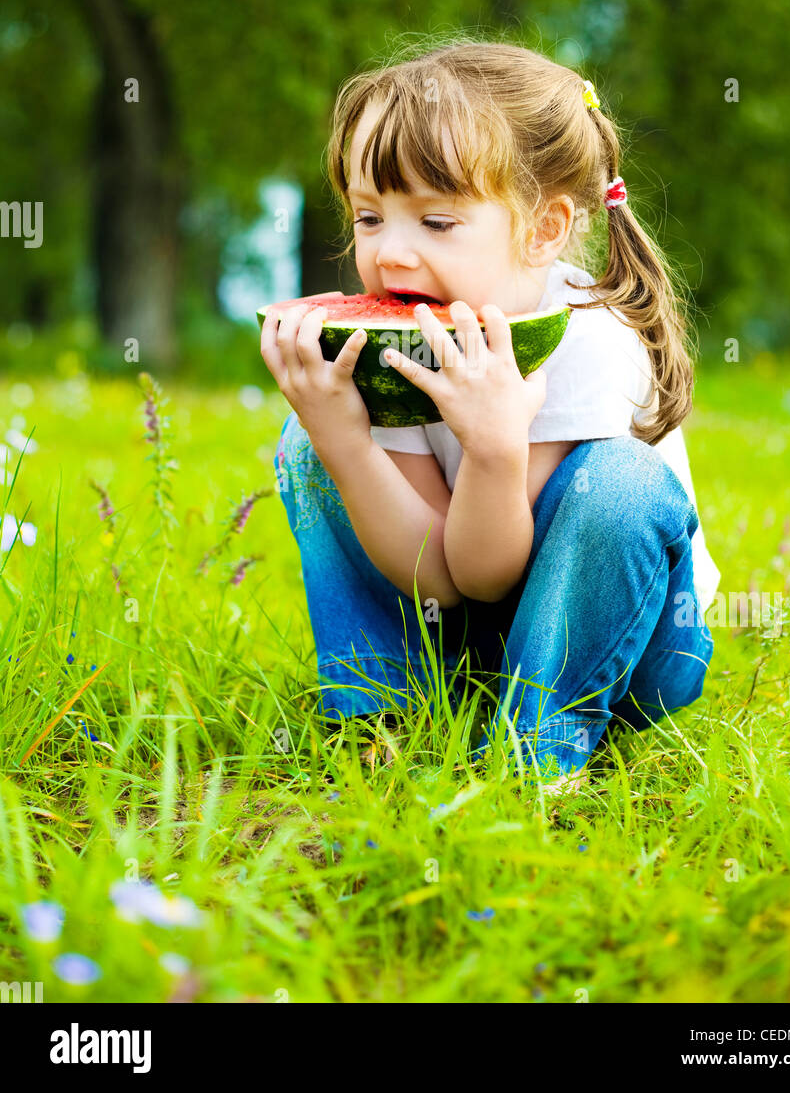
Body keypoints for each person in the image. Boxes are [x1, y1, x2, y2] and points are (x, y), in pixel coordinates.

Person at [261, 39, 720, 796]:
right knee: (307, 446)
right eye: (371, 216)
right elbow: (441, 581)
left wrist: (497, 447)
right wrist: (341, 442)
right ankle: (386, 718)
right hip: (474, 628)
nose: (391, 256)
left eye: (436, 223)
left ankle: (539, 750)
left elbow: (485, 570)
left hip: (634, 646)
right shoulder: (403, 337)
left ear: (543, 231)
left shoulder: (589, 342)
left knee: (620, 483)